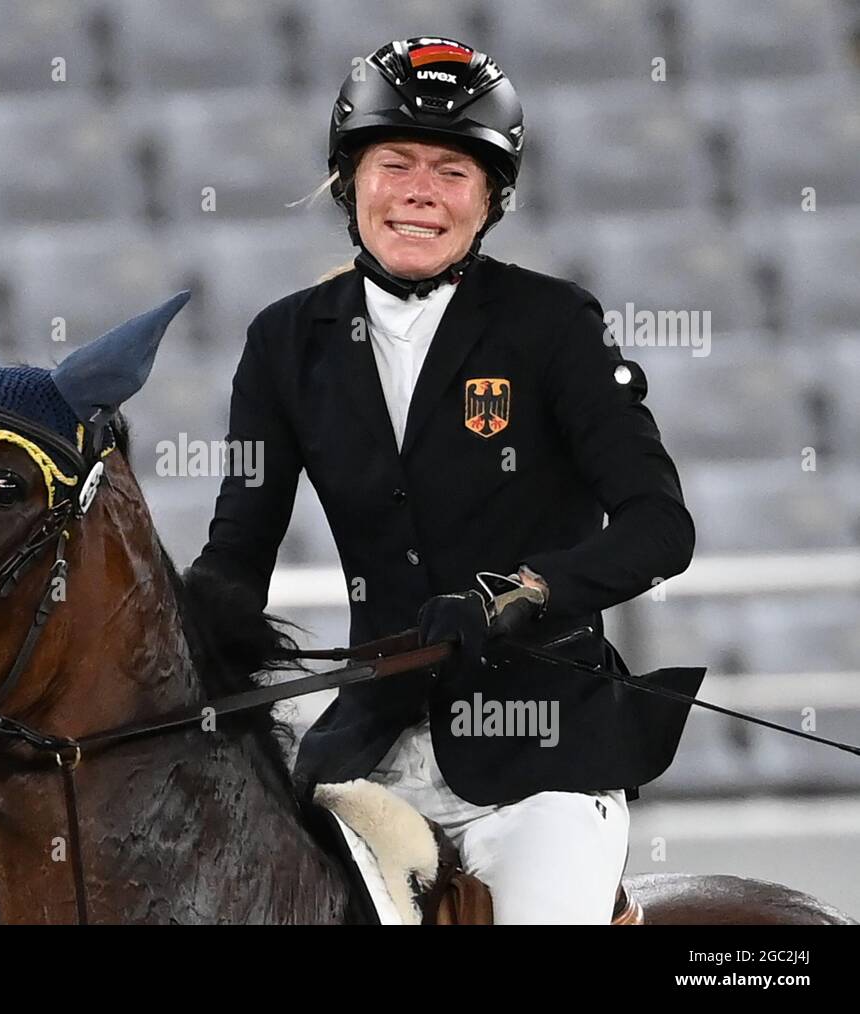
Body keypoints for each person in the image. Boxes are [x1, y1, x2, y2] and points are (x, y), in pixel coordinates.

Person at [189, 36, 699, 923]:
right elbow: (237, 555)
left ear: (491, 200)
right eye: (397, 162)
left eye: (453, 171)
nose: (421, 190)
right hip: (368, 757)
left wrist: (521, 594)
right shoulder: (283, 341)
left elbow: (661, 527)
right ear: (351, 183)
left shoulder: (554, 324)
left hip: (542, 757)